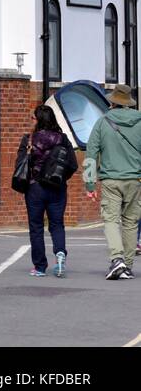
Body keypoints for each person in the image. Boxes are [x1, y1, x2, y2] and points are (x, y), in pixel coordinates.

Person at [84, 85, 141, 280]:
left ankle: (117, 259)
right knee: (131, 223)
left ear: (112, 102)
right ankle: (128, 265)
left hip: (111, 180)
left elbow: (91, 154)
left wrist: (90, 184)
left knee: (110, 220)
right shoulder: (140, 122)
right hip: (135, 180)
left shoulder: (102, 122)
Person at [18, 105, 78, 277]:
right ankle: (60, 253)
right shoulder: (63, 139)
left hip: (35, 188)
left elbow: (20, 163)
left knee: (36, 227)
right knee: (57, 224)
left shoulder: (29, 139)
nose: (31, 120)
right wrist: (60, 178)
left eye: (33, 117)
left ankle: (39, 267)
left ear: (38, 120)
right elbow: (72, 165)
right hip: (57, 188)